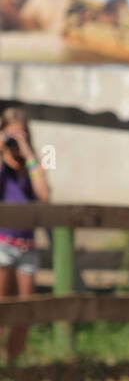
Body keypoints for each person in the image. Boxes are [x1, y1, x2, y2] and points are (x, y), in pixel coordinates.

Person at [0, 107, 49, 364]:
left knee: (25, 311)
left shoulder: (30, 167)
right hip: (2, 244)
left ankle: (12, 365)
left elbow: (44, 195)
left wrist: (28, 153)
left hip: (27, 246)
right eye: (11, 134)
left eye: (22, 134)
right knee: (2, 308)